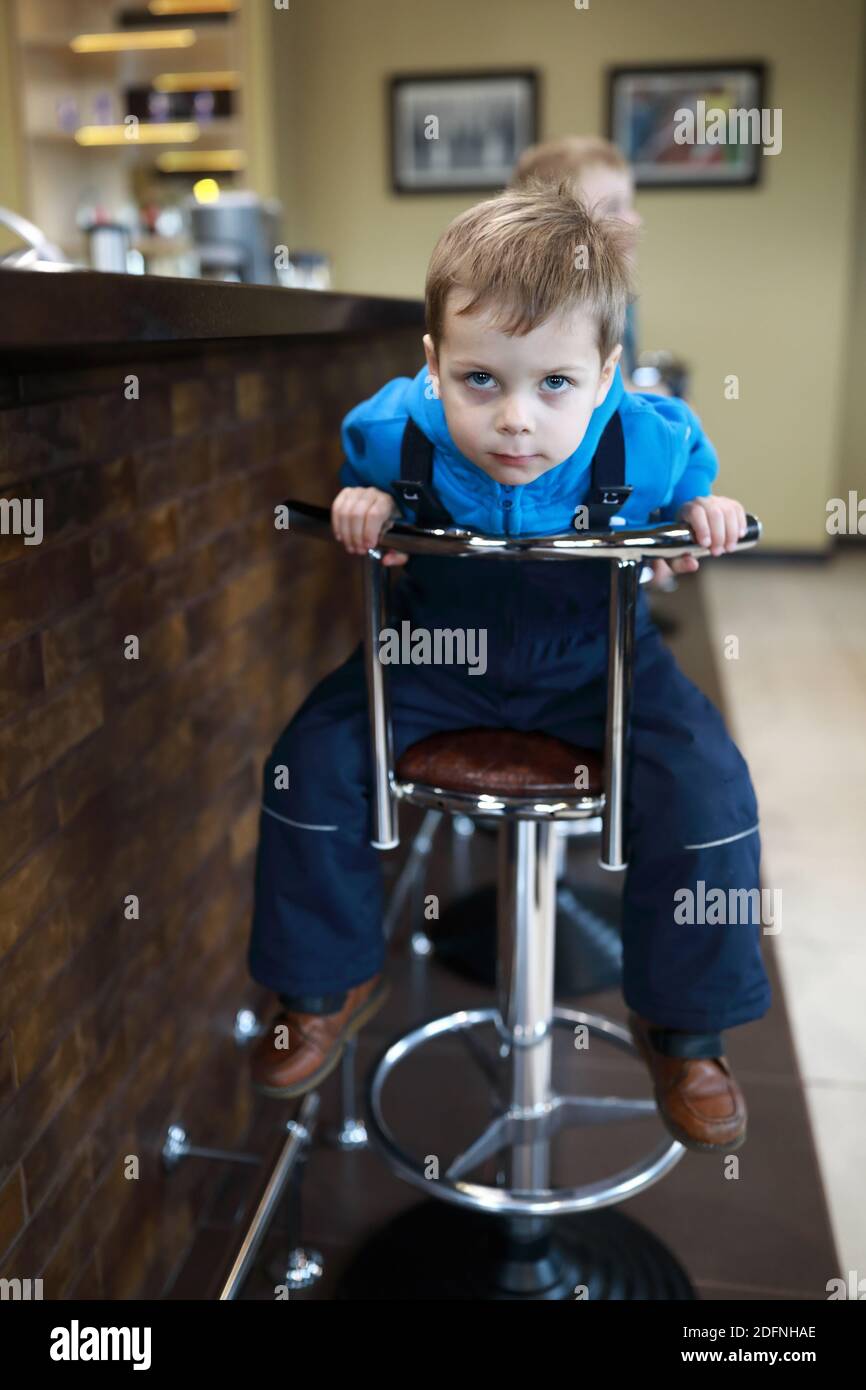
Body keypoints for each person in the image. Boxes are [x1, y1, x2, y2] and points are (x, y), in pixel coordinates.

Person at [247, 183, 771, 1153]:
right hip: (431, 660)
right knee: (308, 760)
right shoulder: (391, 430)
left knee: (707, 783)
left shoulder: (646, 440)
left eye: (554, 385)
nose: (515, 421)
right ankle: (322, 981)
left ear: (606, 371)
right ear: (433, 364)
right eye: (478, 380)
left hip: (595, 664)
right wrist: (363, 504)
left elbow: (698, 495)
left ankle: (686, 1026)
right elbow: (357, 478)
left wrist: (706, 513)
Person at [510, 136, 643, 383]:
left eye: (629, 204)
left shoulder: (616, 297)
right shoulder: (546, 310)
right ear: (554, 223)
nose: (634, 220)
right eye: (612, 207)